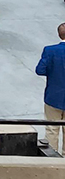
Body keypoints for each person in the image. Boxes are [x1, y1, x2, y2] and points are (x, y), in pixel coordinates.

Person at [35, 23, 65, 154]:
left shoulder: (50, 50)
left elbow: (40, 70)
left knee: (52, 129)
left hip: (53, 96)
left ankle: (52, 158)